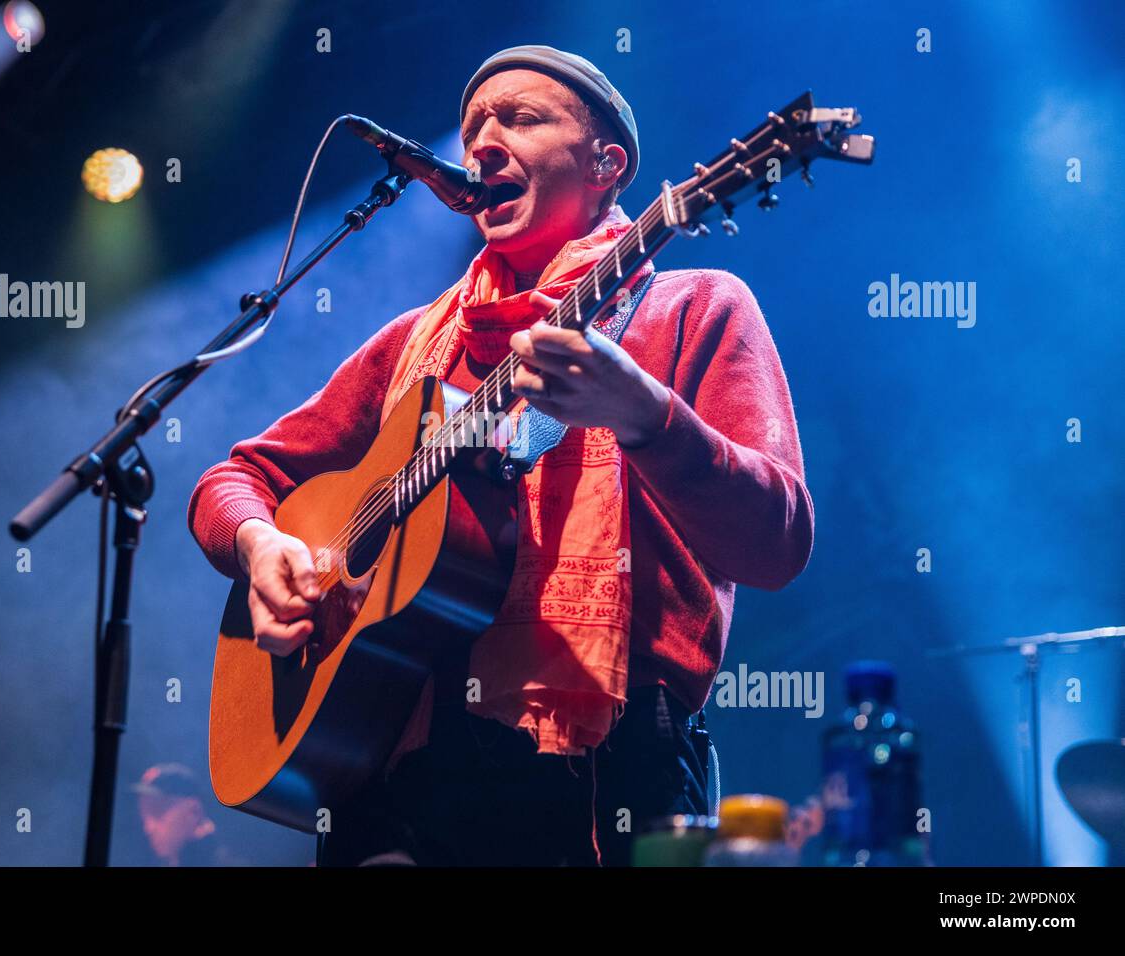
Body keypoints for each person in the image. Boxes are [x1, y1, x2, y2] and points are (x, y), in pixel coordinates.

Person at [188, 45, 815, 866]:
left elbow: (777, 545)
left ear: (607, 163)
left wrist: (645, 416)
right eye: (473, 125)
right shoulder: (414, 342)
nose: (481, 142)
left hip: (606, 766)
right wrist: (260, 544)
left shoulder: (695, 307)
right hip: (391, 766)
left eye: (519, 118)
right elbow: (236, 478)